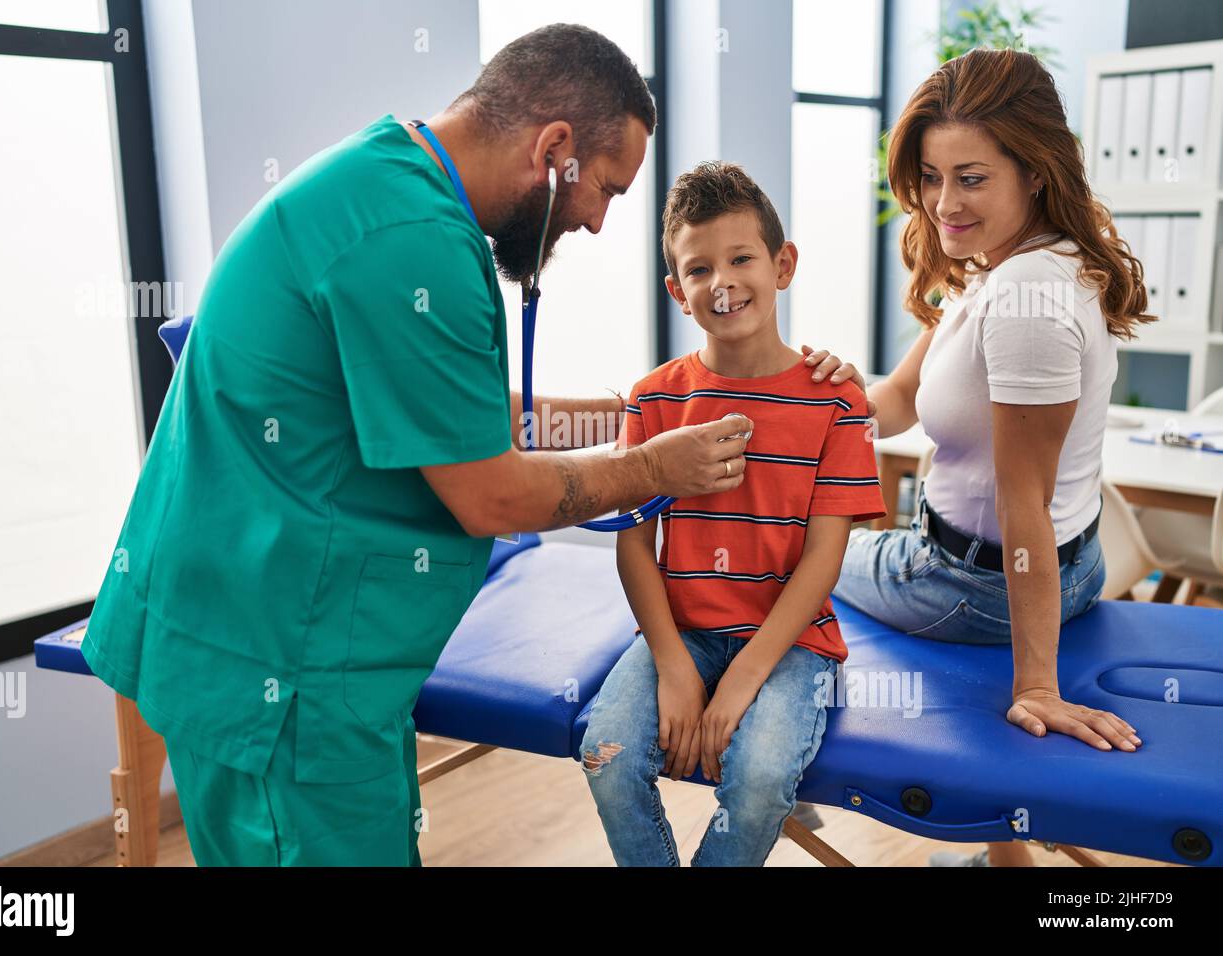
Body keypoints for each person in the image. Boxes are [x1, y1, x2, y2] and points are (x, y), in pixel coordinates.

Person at [81, 24, 862, 867]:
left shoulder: (390, 183)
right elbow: (489, 494)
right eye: (605, 188)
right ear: (555, 149)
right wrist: (650, 464)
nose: (599, 223)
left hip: (270, 643)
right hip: (283, 668)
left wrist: (627, 413)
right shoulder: (412, 244)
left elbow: (445, 409)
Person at [830, 49, 1154, 867]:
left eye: (970, 178)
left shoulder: (1026, 302)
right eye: (933, 177)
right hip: (1069, 567)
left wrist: (1035, 687)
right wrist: (806, 404)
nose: (943, 203)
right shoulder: (1003, 266)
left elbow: (1023, 508)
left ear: (1034, 169)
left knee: (807, 554)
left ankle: (779, 762)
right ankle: (999, 854)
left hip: (971, 585)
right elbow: (899, 399)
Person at [580, 162, 885, 866]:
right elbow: (633, 544)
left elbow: (823, 560)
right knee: (606, 755)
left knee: (759, 779)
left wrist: (744, 676)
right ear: (676, 291)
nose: (723, 282)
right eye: (699, 269)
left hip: (791, 645)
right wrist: (672, 664)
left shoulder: (837, 400)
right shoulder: (652, 399)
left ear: (783, 264)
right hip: (681, 633)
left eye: (742, 258)